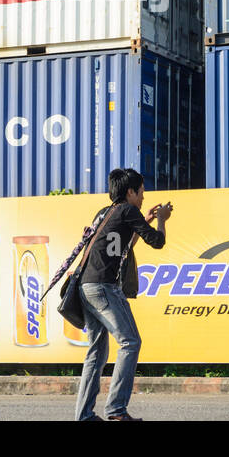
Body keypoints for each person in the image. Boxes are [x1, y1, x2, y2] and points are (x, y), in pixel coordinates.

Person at [74, 168, 171, 422]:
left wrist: (145, 221)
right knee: (130, 342)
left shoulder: (104, 213)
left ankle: (83, 415)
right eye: (141, 193)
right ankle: (116, 410)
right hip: (105, 287)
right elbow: (158, 242)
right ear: (130, 192)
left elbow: (123, 247)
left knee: (96, 352)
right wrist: (161, 219)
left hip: (86, 286)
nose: (142, 199)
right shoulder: (128, 211)